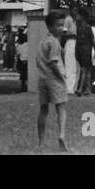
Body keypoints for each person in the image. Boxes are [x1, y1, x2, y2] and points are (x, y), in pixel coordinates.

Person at [35, 10, 68, 151]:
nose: (62, 28)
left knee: (43, 110)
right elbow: (53, 63)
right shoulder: (54, 42)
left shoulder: (44, 42)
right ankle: (61, 135)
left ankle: (41, 142)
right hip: (54, 79)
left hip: (42, 80)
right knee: (61, 108)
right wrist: (61, 77)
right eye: (59, 25)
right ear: (50, 27)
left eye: (62, 25)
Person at [74, 8, 94, 96]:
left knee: (84, 69)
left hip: (86, 50)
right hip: (82, 50)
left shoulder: (86, 28)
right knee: (87, 70)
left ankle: (80, 88)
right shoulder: (80, 27)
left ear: (82, 17)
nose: (77, 16)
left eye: (78, 15)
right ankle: (88, 89)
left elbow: (92, 40)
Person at [15, 27, 29, 92]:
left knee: (22, 76)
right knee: (26, 75)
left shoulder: (19, 46)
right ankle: (27, 87)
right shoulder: (29, 45)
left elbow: (18, 54)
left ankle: (23, 87)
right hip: (28, 62)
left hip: (21, 61)